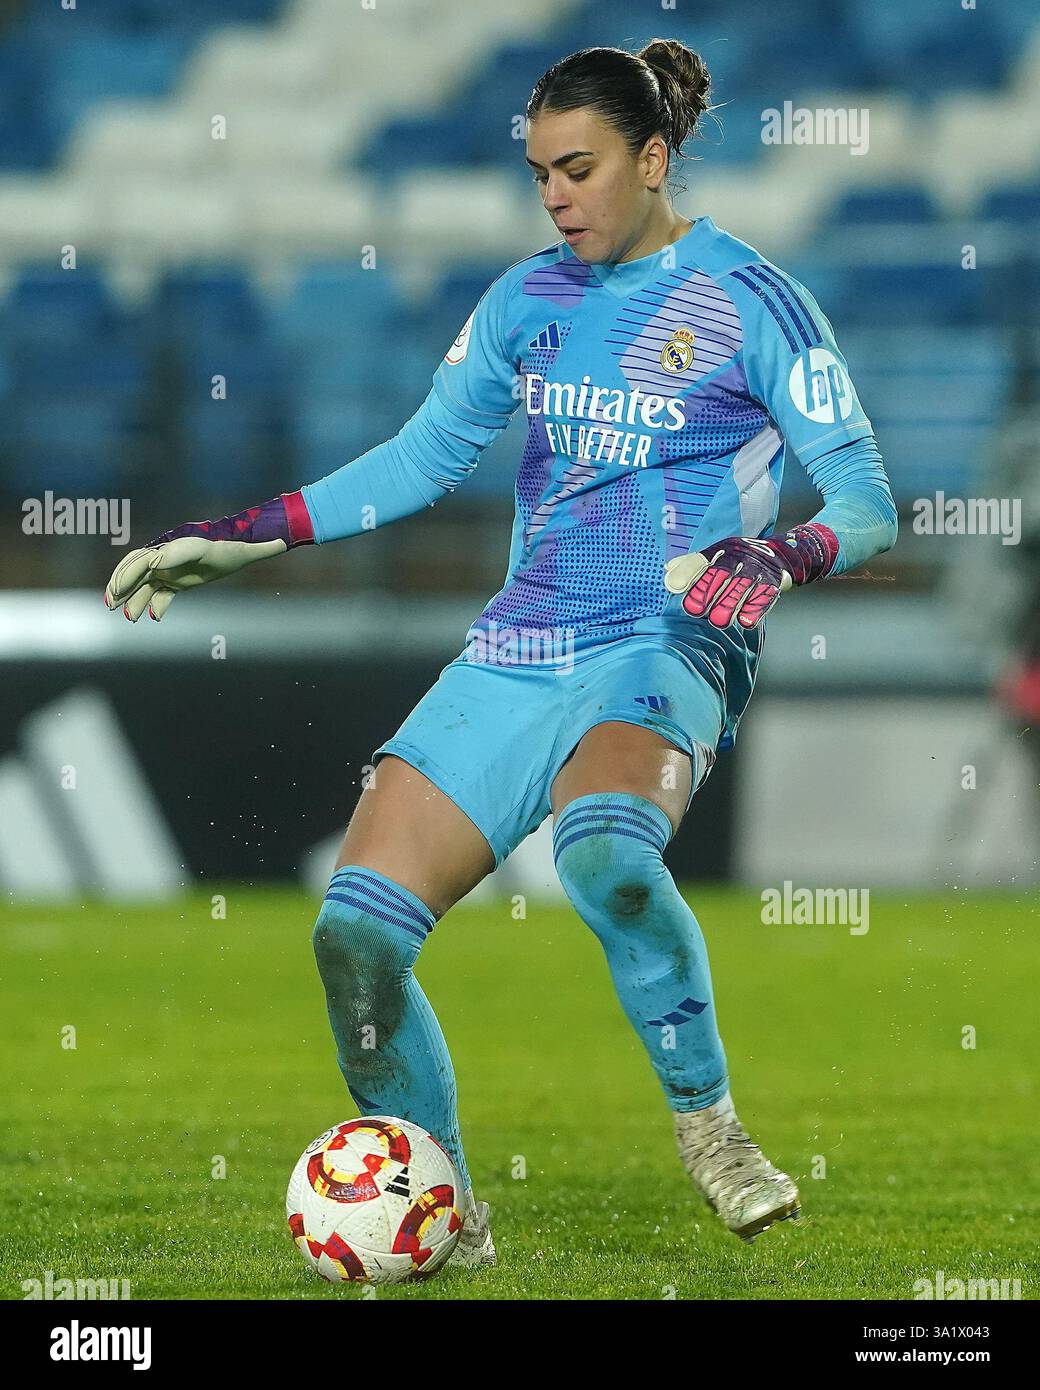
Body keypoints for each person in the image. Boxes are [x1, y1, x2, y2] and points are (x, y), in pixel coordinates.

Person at [105, 40, 897, 1265]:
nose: (555, 196)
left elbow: (863, 498)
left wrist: (780, 556)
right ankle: (447, 1218)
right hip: (519, 644)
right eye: (537, 175)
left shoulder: (751, 301)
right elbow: (422, 458)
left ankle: (712, 1129)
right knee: (354, 938)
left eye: (576, 169)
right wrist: (244, 536)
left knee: (605, 853)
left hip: (667, 637)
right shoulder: (527, 300)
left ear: (653, 157)